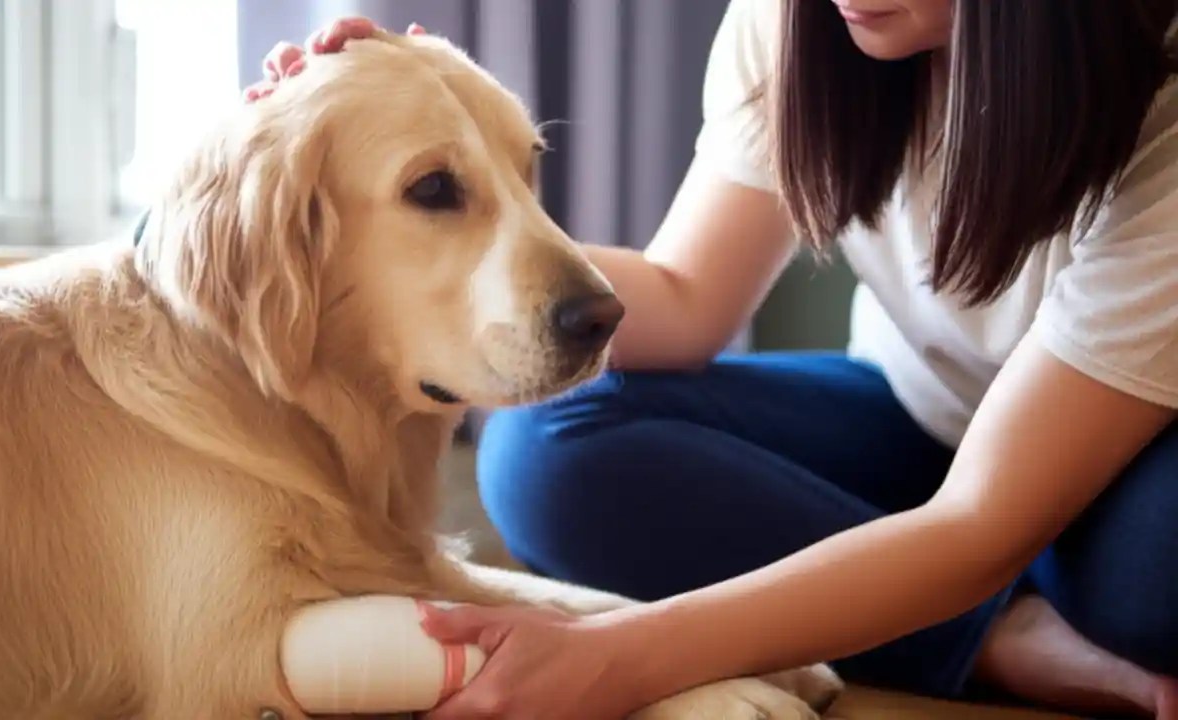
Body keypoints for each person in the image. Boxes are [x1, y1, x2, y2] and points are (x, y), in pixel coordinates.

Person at [248, 3, 1178, 718]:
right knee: (549, 449)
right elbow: (683, 297)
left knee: (1157, 583)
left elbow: (982, 518)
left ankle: (963, 598)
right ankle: (991, 629)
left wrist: (622, 658)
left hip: (1122, 471)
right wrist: (346, 175)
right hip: (927, 413)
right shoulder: (802, 22)